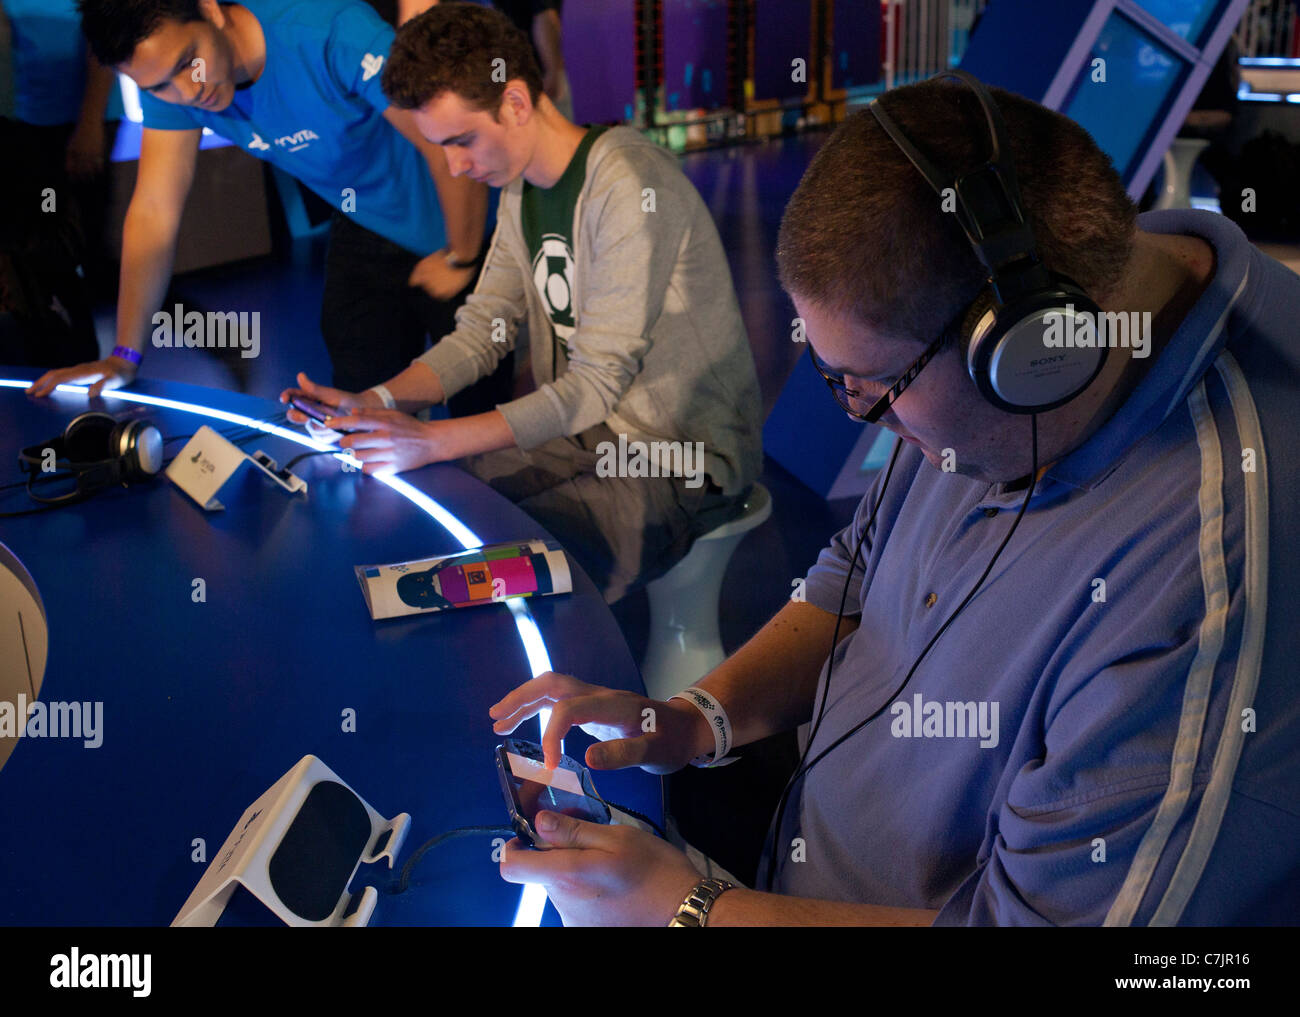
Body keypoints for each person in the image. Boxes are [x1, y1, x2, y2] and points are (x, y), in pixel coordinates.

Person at [486, 75, 1300, 925]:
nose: (861, 413)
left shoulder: (1207, 583)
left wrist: (690, 908)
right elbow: (860, 571)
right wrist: (695, 720)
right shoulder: (1067, 299)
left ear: (1033, 356)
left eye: (873, 385)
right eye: (835, 378)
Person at [281, 3, 762, 604]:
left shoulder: (631, 182)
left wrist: (432, 439)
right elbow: (482, 331)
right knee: (431, 511)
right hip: (586, 439)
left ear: (514, 102)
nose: (454, 166)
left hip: (677, 462)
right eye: (442, 147)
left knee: (480, 582)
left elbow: (595, 384)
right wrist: (375, 401)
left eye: (462, 141)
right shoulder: (518, 190)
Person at [27, 0, 506, 416]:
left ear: (210, 9)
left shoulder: (328, 31)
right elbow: (154, 209)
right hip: (366, 220)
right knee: (359, 404)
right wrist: (124, 357)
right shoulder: (175, 90)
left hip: (471, 221)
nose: (188, 91)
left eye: (188, 62)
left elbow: (449, 143)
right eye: (158, 87)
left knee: (481, 403)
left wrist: (461, 255)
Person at [1, 0, 122, 367]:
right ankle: (65, 357)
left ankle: (210, 335)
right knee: (43, 239)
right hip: (31, 125)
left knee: (86, 249)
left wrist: (89, 125)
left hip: (81, 126)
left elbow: (102, 40)